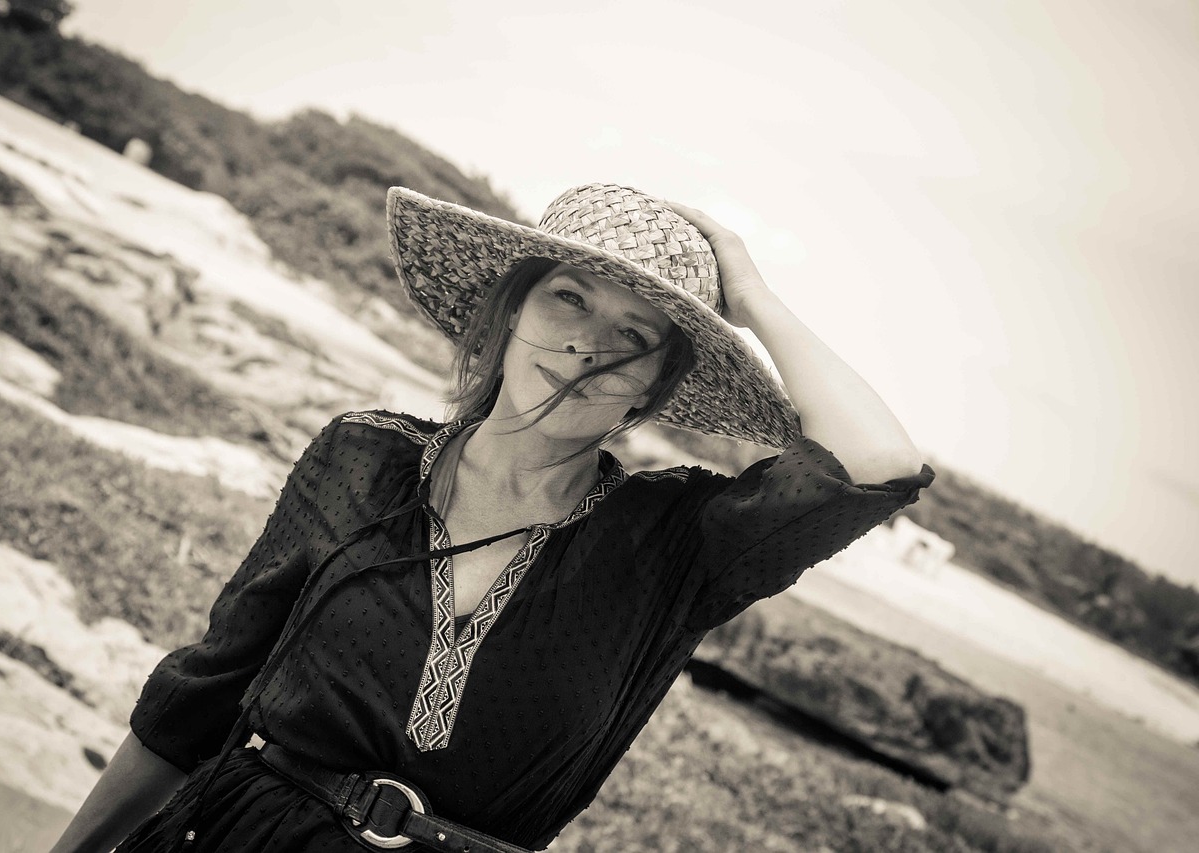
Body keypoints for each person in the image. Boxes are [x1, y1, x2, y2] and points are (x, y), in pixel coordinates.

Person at [50, 183, 934, 853]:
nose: (586, 345)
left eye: (634, 336)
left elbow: (878, 463)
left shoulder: (676, 542)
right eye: (569, 298)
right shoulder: (363, 456)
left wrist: (752, 297)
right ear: (512, 309)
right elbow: (199, 696)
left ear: (654, 386)